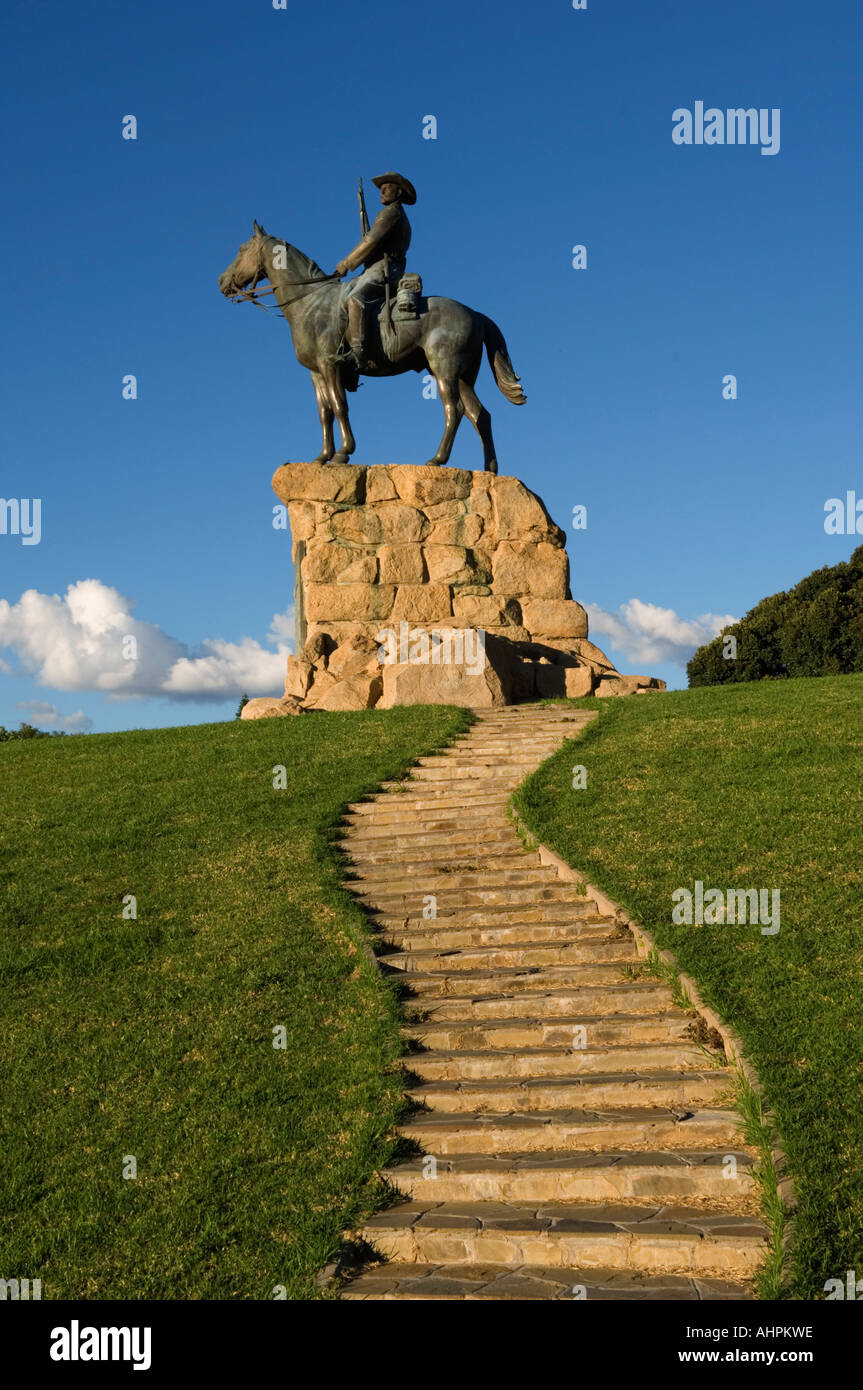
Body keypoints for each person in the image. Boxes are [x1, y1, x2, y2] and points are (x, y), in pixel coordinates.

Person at [334, 172, 416, 371]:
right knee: (340, 295)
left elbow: (371, 240)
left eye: (387, 188)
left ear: (399, 192)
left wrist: (346, 263)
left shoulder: (391, 213)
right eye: (380, 188)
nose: (382, 191)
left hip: (385, 269)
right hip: (378, 266)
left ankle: (358, 354)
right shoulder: (392, 213)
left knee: (355, 299)